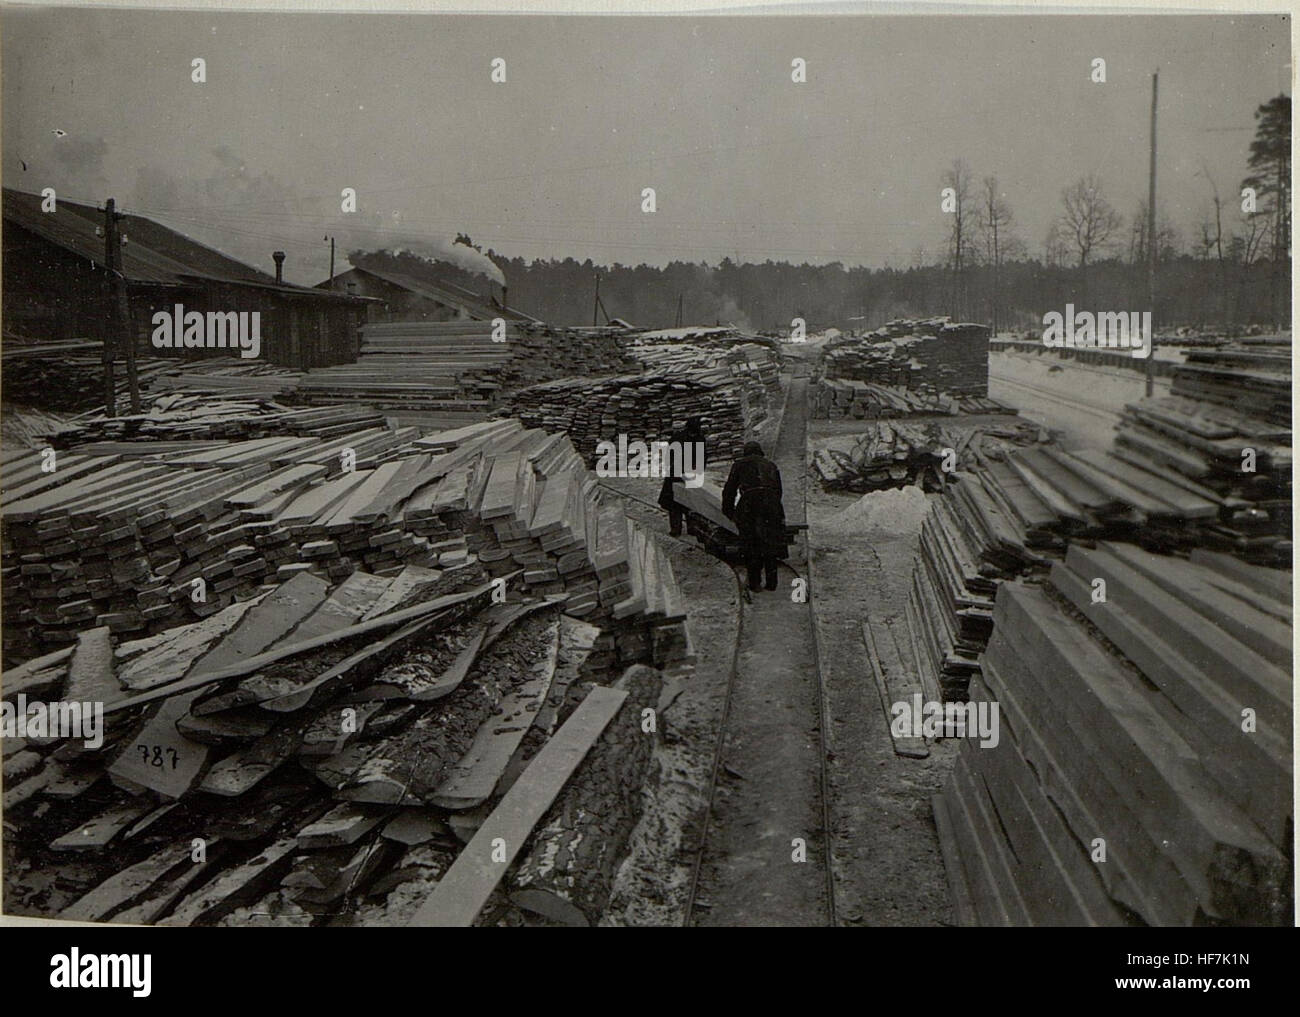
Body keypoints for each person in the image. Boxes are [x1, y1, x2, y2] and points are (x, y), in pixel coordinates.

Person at [722, 441, 786, 592]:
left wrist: (729, 512)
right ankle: (771, 583)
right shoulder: (771, 465)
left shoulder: (739, 464)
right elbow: (779, 491)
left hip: (750, 503)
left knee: (751, 544)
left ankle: (755, 583)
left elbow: (729, 491)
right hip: (771, 504)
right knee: (770, 543)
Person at [657, 416, 707, 537]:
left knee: (691, 501)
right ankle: (676, 528)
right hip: (676, 473)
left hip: (691, 473)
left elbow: (703, 457)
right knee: (675, 502)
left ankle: (691, 527)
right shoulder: (679, 438)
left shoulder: (699, 438)